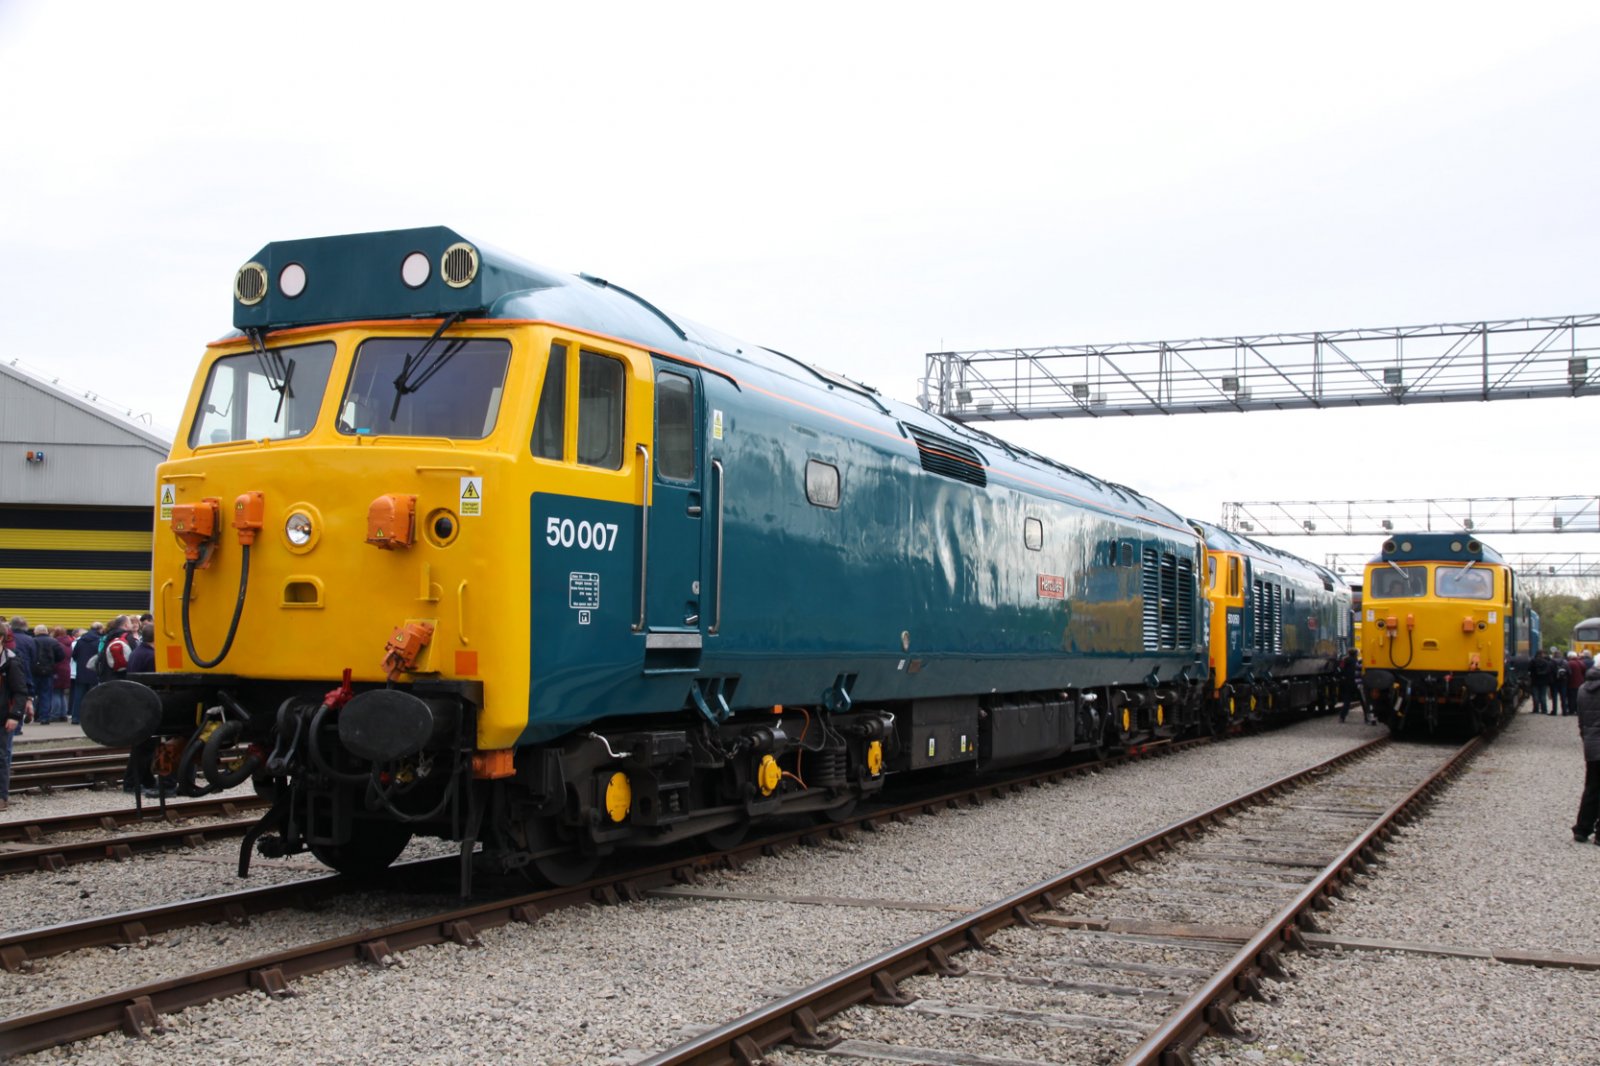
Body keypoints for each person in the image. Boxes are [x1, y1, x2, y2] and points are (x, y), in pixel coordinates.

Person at [0, 630, 33, 812]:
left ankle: (1, 797)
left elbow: (20, 691)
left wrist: (14, 716)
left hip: (3, 716)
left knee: (1, 757)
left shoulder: (11, 661)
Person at [1571, 662, 1600, 844]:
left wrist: (1586, 738)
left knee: (1592, 787)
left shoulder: (1582, 689)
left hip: (1591, 745)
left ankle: (1582, 829)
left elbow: (1581, 720)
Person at [70, 622, 102, 725]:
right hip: (93, 672)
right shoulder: (99, 641)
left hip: (81, 672)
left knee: (78, 696)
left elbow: (74, 655)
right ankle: (90, 718)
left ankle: (75, 717)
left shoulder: (81, 641)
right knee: (93, 696)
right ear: (100, 629)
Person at [30, 625, 62, 723]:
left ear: (36, 632)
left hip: (34, 671)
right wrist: (52, 663)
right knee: (46, 694)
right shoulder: (54, 641)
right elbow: (61, 656)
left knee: (30, 694)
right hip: (48, 671)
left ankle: (31, 715)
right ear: (46, 632)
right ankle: (45, 717)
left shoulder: (32, 641)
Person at [7, 618, 37, 720]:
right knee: (21, 695)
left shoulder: (8, 638)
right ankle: (18, 724)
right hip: (25, 670)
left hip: (7, 670)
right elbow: (34, 658)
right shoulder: (30, 639)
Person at [48, 627, 71, 724]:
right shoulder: (68, 643)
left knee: (55, 692)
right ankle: (63, 714)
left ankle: (55, 714)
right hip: (66, 669)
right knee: (62, 693)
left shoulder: (56, 644)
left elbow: (54, 658)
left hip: (57, 670)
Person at [1337, 650, 1360, 723]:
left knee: (1347, 701)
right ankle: (1368, 717)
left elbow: (1340, 669)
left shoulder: (1345, 660)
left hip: (1347, 682)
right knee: (1363, 700)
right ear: (1356, 654)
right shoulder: (1357, 661)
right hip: (1357, 682)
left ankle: (1342, 717)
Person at [1531, 649, 1551, 715]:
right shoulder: (1546, 662)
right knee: (1543, 696)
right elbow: (1548, 672)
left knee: (1535, 696)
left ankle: (1536, 709)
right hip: (1544, 681)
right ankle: (1544, 710)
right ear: (1542, 654)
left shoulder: (1533, 661)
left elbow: (1529, 670)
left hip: (1534, 681)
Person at [1566, 652, 1586, 717]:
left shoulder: (1569, 663)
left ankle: (1571, 710)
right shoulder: (1581, 663)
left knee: (1572, 697)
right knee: (1579, 697)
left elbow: (1568, 673)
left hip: (1572, 683)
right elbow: (1584, 672)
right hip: (1580, 682)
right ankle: (1578, 710)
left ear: (1570, 657)